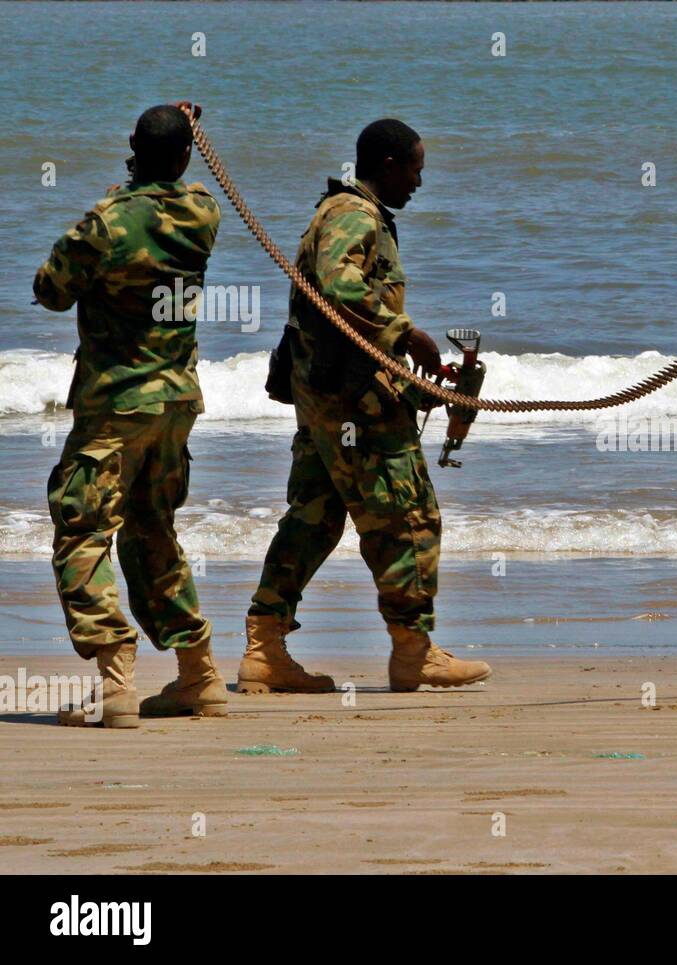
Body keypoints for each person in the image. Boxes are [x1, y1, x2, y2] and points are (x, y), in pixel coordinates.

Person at [239, 118, 491, 694]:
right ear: (387, 165)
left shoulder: (344, 212)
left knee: (313, 518)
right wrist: (405, 333)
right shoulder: (355, 215)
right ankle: (414, 651)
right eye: (415, 169)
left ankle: (264, 648)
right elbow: (338, 284)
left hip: (327, 397)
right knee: (408, 519)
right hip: (354, 405)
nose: (420, 182)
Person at [36, 103, 226, 726]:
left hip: (117, 404)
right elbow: (168, 190)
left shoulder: (107, 222)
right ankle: (199, 674)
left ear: (131, 150)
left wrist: (120, 190)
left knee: (82, 531)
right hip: (176, 402)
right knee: (152, 532)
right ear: (185, 155)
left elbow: (50, 290)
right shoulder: (204, 212)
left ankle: (117, 682)